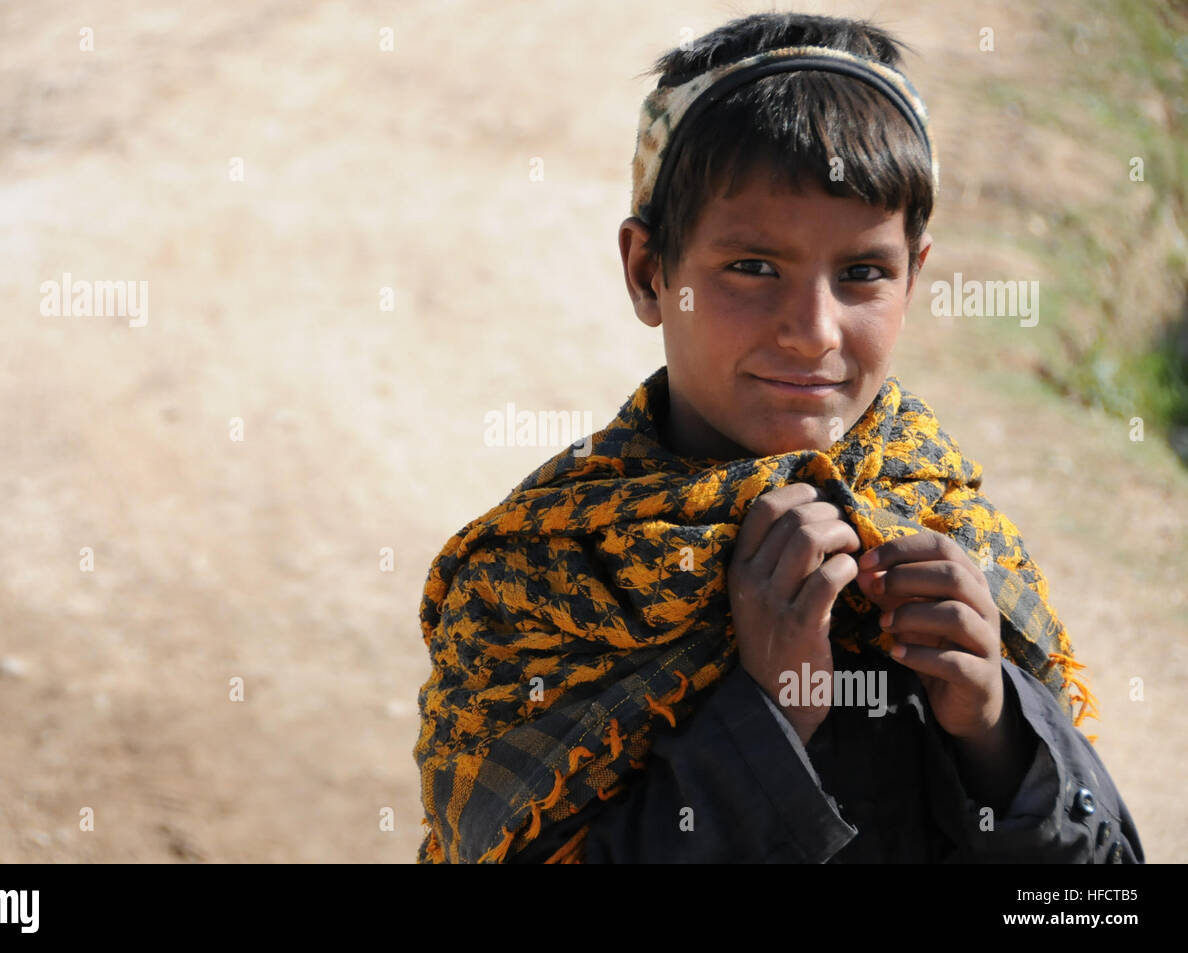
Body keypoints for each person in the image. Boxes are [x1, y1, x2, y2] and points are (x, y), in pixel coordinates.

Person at [413, 11, 1144, 864]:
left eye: (863, 272)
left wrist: (997, 733)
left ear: (915, 277)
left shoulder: (947, 534)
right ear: (651, 273)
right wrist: (769, 718)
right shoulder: (539, 580)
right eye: (754, 267)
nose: (813, 332)